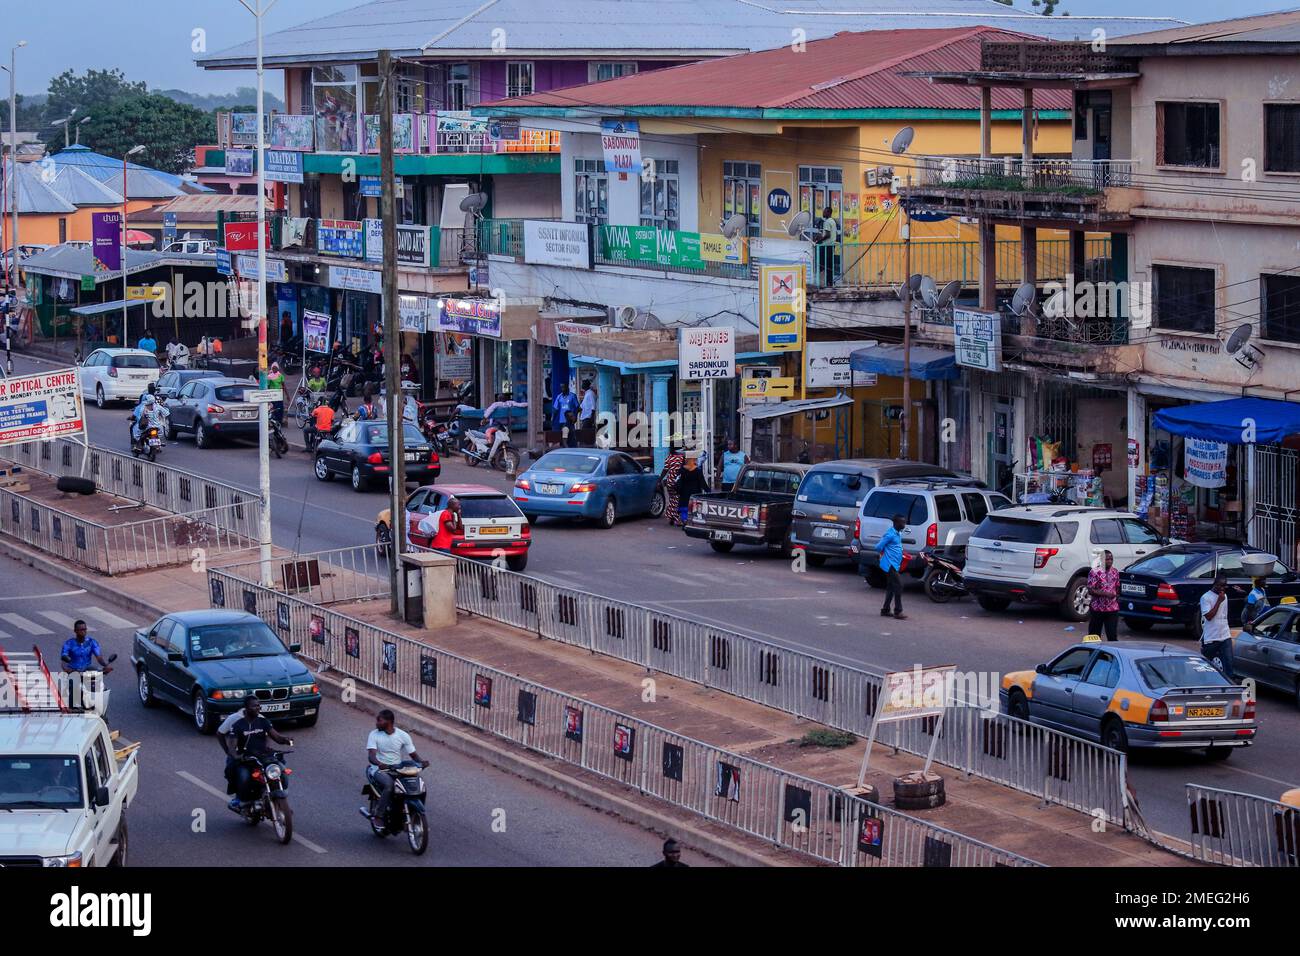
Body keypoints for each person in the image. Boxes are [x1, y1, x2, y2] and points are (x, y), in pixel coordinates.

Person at [218, 696, 293, 810]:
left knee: (282, 771)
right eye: (254, 706)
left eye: (258, 705)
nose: (258, 708)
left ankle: (280, 801)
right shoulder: (238, 724)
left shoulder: (263, 721)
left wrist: (286, 740)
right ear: (246, 708)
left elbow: (277, 737)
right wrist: (234, 755)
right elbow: (232, 746)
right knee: (244, 777)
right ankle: (243, 802)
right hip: (247, 759)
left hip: (263, 756)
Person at [365, 709, 429, 824]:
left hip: (397, 768)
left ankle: (414, 812)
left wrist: (422, 763)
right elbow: (371, 756)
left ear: (388, 722)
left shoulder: (403, 735)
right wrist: (379, 764)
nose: (376, 723)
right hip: (379, 770)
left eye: (379, 720)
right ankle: (379, 816)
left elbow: (413, 754)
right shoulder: (374, 735)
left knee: (419, 784)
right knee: (389, 785)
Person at [1199, 574, 1236, 681]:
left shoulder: (1224, 596)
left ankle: (1230, 684)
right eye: (1221, 585)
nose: (1223, 588)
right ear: (1215, 584)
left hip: (1225, 635)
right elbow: (1209, 617)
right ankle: (1204, 682)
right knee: (1206, 664)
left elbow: (1223, 615)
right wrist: (1219, 601)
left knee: (1229, 662)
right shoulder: (1206, 597)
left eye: (1225, 586)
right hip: (1211, 637)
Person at [1087, 549, 1121, 642]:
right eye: (1107, 559)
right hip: (1097, 609)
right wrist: (1105, 594)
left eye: (1111, 559)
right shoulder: (1094, 572)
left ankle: (1113, 655)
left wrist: (1116, 597)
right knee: (1094, 637)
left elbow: (1117, 586)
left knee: (1112, 636)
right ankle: (1094, 655)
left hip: (1112, 609)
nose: (1110, 561)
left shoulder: (1115, 572)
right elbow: (1090, 590)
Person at [877, 514, 906, 620]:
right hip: (890, 565)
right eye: (901, 522)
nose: (904, 524)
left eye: (904, 522)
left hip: (894, 564)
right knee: (899, 586)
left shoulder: (898, 533)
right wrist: (883, 555)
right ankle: (898, 611)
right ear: (895, 523)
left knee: (891, 587)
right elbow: (878, 546)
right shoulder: (890, 534)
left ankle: (885, 610)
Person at [675, 452, 709, 526]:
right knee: (693, 508)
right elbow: (702, 482)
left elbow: (678, 481)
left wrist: (678, 490)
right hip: (695, 493)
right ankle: (691, 522)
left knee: (684, 508)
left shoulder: (682, 469)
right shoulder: (697, 470)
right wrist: (709, 491)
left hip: (684, 493)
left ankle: (684, 521)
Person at [661, 445, 686, 527]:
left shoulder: (669, 458)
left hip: (670, 482)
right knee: (677, 500)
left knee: (672, 499)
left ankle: (670, 516)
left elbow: (665, 470)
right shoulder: (682, 458)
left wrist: (660, 479)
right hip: (678, 482)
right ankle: (676, 518)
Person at [815, 206, 840, 287]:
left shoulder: (827, 222)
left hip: (826, 246)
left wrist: (820, 240)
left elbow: (828, 235)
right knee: (829, 264)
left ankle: (820, 282)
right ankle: (829, 282)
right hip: (831, 245)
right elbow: (835, 233)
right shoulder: (833, 221)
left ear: (829, 213)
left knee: (821, 264)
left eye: (825, 212)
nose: (823, 213)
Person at [552, 382, 579, 447]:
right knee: (563, 437)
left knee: (571, 437)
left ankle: (571, 450)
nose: (562, 389)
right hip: (562, 421)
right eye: (561, 387)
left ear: (567, 387)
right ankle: (564, 450)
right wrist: (552, 419)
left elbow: (578, 407)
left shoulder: (572, 396)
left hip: (570, 421)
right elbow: (555, 409)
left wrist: (575, 417)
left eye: (564, 387)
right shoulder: (559, 397)